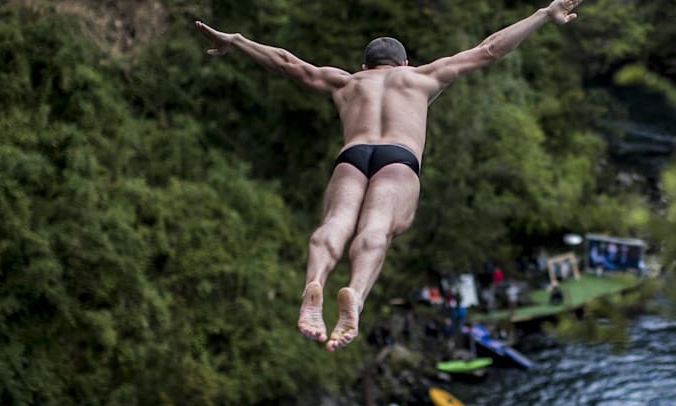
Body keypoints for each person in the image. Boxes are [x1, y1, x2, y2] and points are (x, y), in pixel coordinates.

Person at [194, 0, 585, 352]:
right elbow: (490, 48)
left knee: (335, 223)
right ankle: (356, 299)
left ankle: (312, 291)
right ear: (404, 64)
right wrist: (542, 15)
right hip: (398, 159)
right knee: (376, 230)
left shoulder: (347, 82)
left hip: (353, 155)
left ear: (366, 67)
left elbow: (287, 62)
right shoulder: (422, 77)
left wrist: (237, 40)